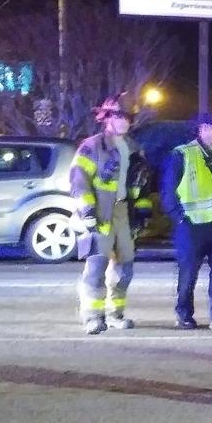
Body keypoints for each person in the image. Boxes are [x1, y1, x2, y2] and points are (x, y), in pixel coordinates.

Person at [71, 94, 153, 335]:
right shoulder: (92, 146)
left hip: (123, 213)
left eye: (127, 117)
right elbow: (79, 181)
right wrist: (87, 211)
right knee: (96, 267)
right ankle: (92, 317)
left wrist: (142, 212)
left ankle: (115, 314)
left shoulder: (134, 148)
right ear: (106, 118)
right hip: (100, 212)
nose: (124, 121)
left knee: (125, 269)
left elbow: (142, 185)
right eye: (119, 117)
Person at [162, 114, 212, 331]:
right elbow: (169, 190)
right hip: (191, 225)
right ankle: (184, 315)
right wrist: (179, 217)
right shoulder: (182, 154)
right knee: (188, 275)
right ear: (202, 129)